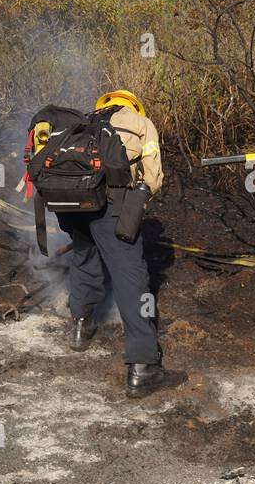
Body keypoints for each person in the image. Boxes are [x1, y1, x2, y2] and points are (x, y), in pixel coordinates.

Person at [58, 90, 175, 398]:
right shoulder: (140, 122)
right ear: (132, 104)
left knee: (84, 259)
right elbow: (154, 177)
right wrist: (140, 198)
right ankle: (143, 366)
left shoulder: (85, 121)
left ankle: (81, 328)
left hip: (74, 203)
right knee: (129, 278)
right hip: (111, 207)